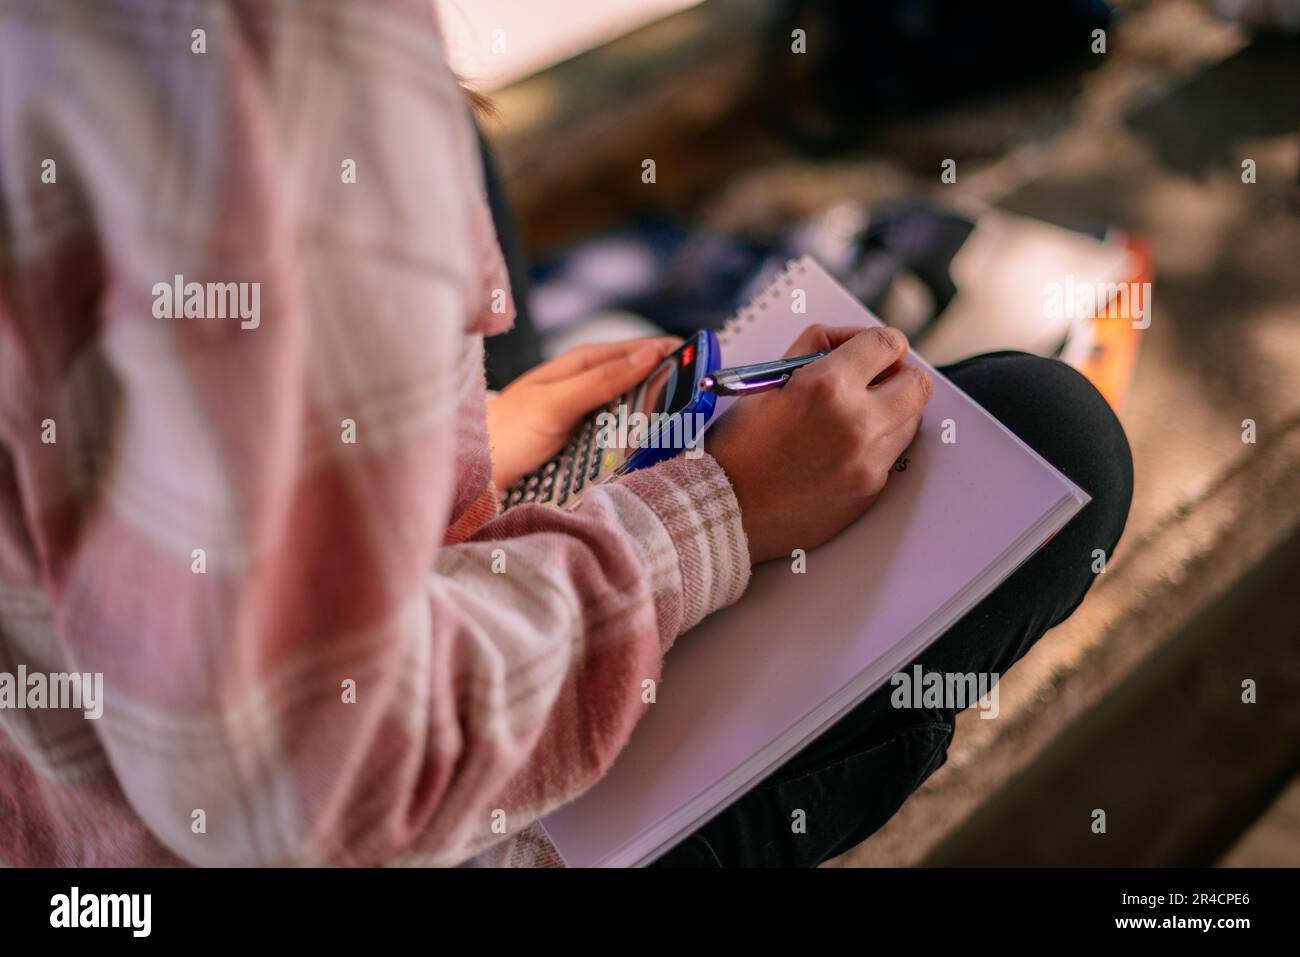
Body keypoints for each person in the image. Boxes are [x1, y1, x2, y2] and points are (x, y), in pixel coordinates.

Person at [0, 1, 1131, 868]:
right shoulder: (273, 92)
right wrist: (716, 515)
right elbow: (313, 780)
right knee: (1052, 443)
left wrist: (451, 439)